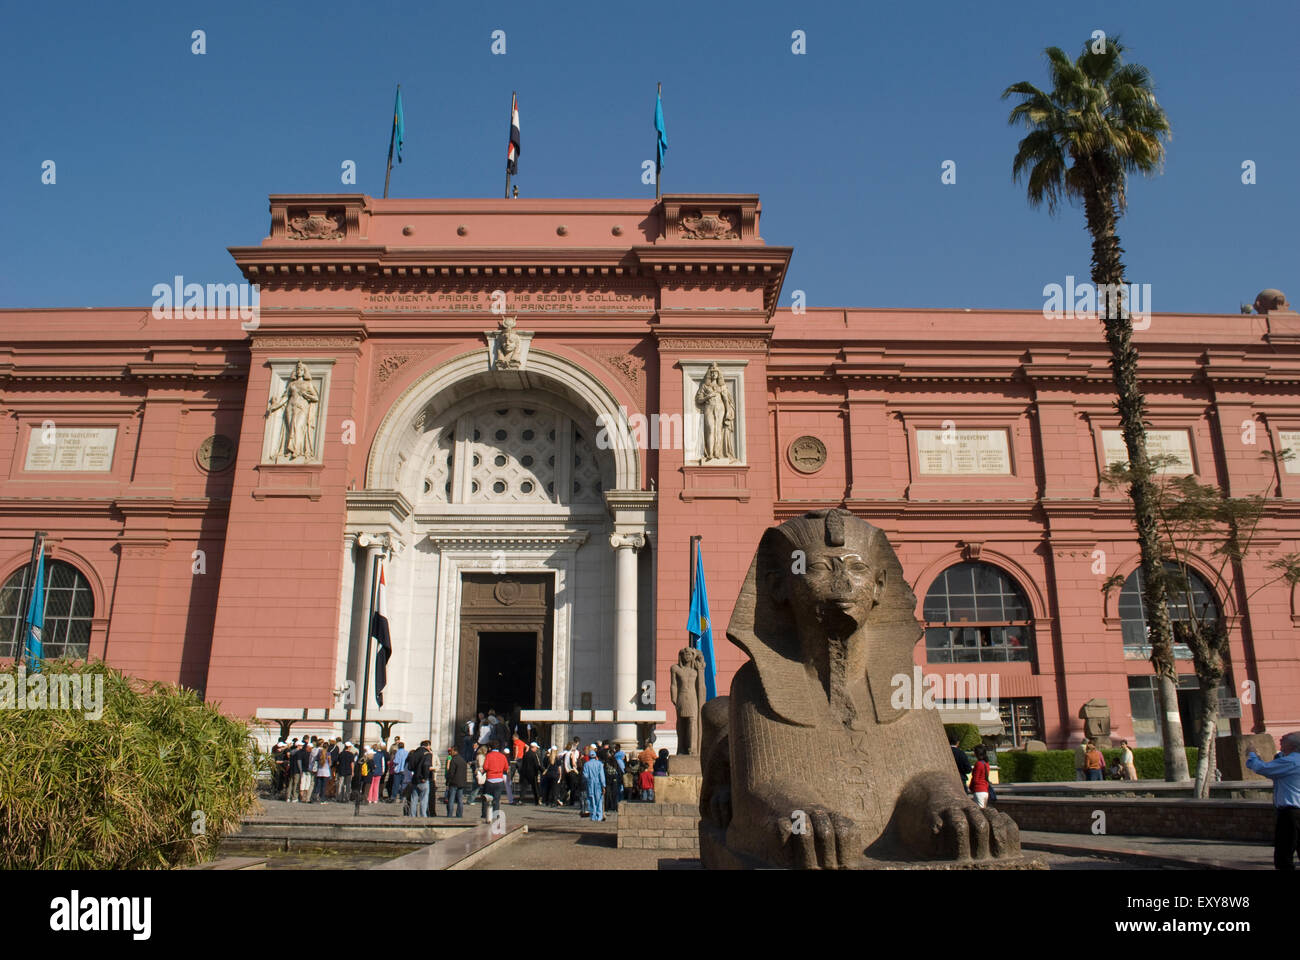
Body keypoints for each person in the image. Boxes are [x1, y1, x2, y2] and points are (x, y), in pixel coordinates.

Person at [1246, 732, 1300, 871]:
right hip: (1293, 811)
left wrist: (1252, 754)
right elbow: (1270, 767)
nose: (1280, 741)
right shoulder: (1288, 760)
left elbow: (1261, 768)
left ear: (1293, 745)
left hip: (1291, 812)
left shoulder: (1291, 761)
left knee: (1284, 853)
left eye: (1284, 740)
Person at [481, 742, 509, 820]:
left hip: (490, 779)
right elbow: (506, 768)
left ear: (490, 748)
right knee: (496, 799)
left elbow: (485, 767)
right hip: (499, 780)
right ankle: (495, 814)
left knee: (487, 798)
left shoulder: (488, 756)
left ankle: (485, 814)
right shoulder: (502, 756)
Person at [406, 740, 434, 817]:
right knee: (424, 798)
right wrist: (425, 777)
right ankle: (423, 815)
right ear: (428, 746)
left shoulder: (414, 753)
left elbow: (410, 767)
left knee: (414, 798)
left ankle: (412, 815)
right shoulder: (427, 754)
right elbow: (426, 765)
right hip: (423, 779)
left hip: (415, 778)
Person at [583, 748, 607, 821]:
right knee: (599, 799)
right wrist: (603, 785)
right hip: (598, 783)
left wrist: (587, 781)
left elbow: (585, 775)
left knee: (591, 799)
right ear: (595, 756)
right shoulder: (599, 764)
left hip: (590, 783)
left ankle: (593, 816)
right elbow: (602, 776)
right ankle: (599, 816)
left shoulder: (586, 764)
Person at [445, 746, 468, 818]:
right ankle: (459, 814)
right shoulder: (463, 760)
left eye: (451, 751)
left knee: (451, 799)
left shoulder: (453, 760)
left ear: (455, 751)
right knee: (460, 800)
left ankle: (450, 814)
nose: (450, 753)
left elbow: (451, 772)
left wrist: (448, 780)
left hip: (454, 782)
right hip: (461, 782)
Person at [969, 744, 991, 809]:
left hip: (979, 790)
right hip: (985, 790)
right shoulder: (986, 764)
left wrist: (971, 787)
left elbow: (975, 779)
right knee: (984, 810)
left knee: (980, 811)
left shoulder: (978, 764)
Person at [391, 739, 410, 804]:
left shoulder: (398, 752)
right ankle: (402, 797)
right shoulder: (407, 752)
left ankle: (393, 797)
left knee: (396, 784)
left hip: (398, 770)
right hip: (404, 770)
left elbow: (396, 761)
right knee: (403, 784)